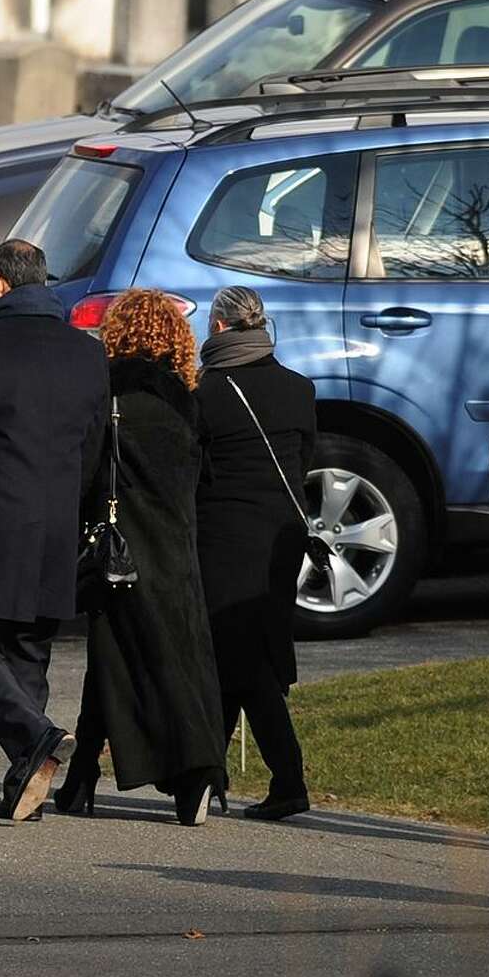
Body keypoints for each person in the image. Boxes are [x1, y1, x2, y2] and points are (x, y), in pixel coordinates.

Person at [0, 239, 109, 823]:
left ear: (0, 285)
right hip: (57, 522)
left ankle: (35, 737)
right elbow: (93, 450)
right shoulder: (87, 354)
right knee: (29, 651)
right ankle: (25, 789)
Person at [56, 289, 228, 827]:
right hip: (176, 550)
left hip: (119, 550)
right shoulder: (189, 401)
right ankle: (191, 775)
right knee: (181, 660)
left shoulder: (108, 397)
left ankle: (85, 777)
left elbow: (85, 474)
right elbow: (207, 480)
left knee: (112, 661)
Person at [190, 284, 316, 821]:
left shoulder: (205, 395)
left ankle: (284, 780)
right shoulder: (299, 389)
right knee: (246, 655)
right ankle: (206, 777)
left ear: (218, 327)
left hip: (226, 540)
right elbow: (303, 461)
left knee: (241, 662)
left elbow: (196, 474)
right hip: (282, 539)